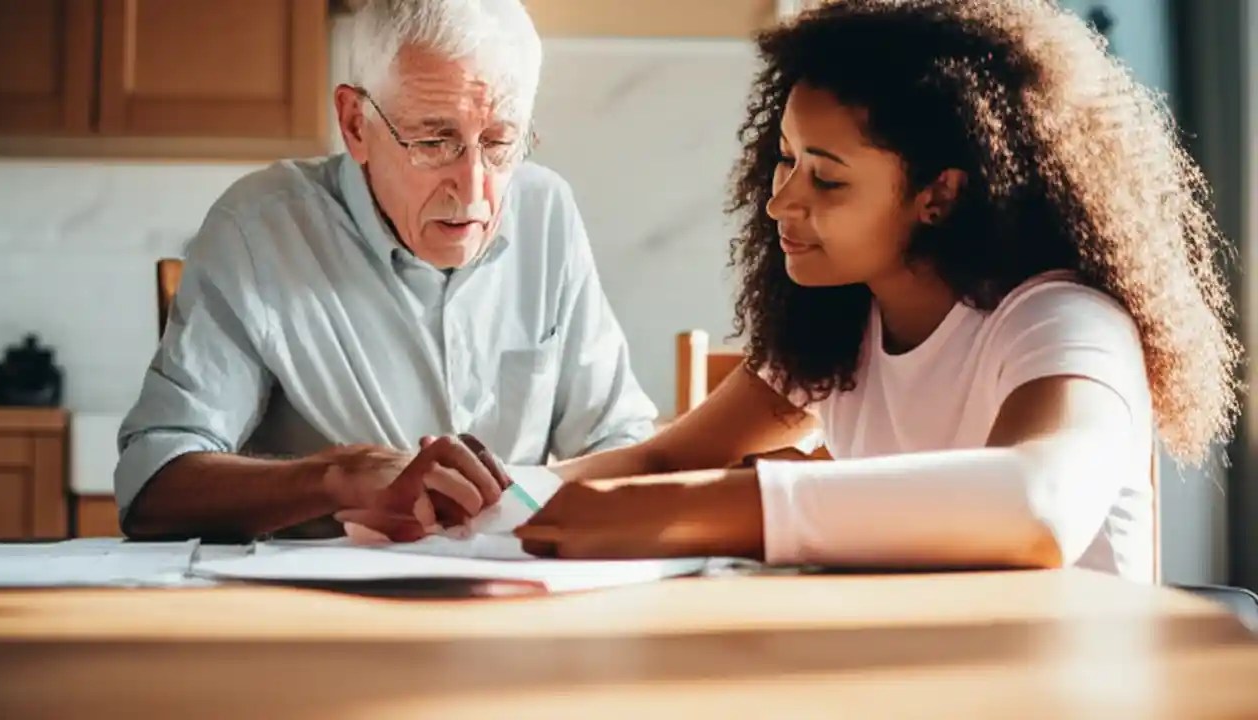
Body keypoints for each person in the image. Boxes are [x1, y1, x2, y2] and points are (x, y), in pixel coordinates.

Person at [511, 0, 1240, 581]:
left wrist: (689, 509)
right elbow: (664, 460)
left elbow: (1039, 505)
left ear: (939, 194)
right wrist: (493, 499)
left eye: (826, 177)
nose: (780, 203)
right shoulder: (839, 324)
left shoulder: (1065, 324)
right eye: (785, 159)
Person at [114, 0, 656, 541]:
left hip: (508, 601)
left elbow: (622, 445)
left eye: (497, 143)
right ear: (356, 125)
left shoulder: (547, 212)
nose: (472, 191)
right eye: (433, 141)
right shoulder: (259, 229)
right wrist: (335, 478)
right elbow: (151, 488)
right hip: (320, 614)